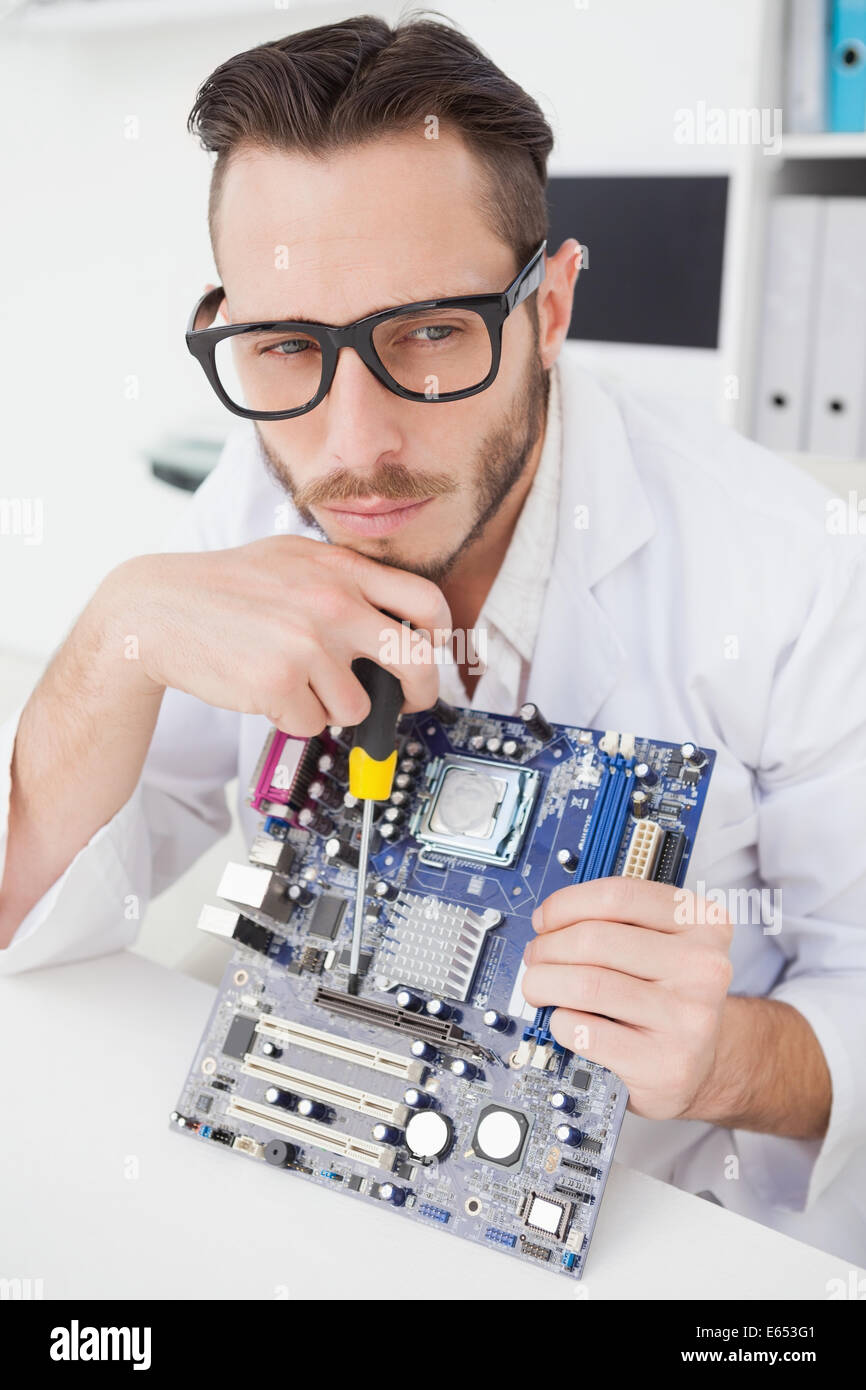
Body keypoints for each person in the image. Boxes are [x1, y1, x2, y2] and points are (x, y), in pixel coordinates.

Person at [1, 13, 864, 1265]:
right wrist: (112, 635)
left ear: (549, 305)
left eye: (425, 333)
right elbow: (30, 890)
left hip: (664, 1234)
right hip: (311, 1200)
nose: (352, 445)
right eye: (286, 345)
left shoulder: (790, 571)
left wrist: (725, 1054)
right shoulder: (251, 501)